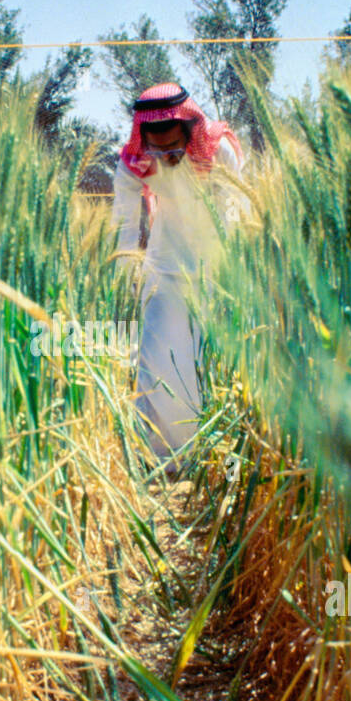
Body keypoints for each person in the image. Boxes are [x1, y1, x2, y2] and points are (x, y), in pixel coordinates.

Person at [110, 81, 246, 473]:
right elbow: (121, 222)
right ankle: (161, 461)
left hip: (209, 271)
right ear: (144, 138)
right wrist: (125, 276)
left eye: (175, 148)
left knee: (200, 364)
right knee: (157, 363)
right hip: (163, 269)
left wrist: (225, 274)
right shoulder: (135, 161)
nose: (166, 157)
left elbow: (230, 214)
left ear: (191, 132)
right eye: (158, 149)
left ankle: (206, 462)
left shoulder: (218, 151)